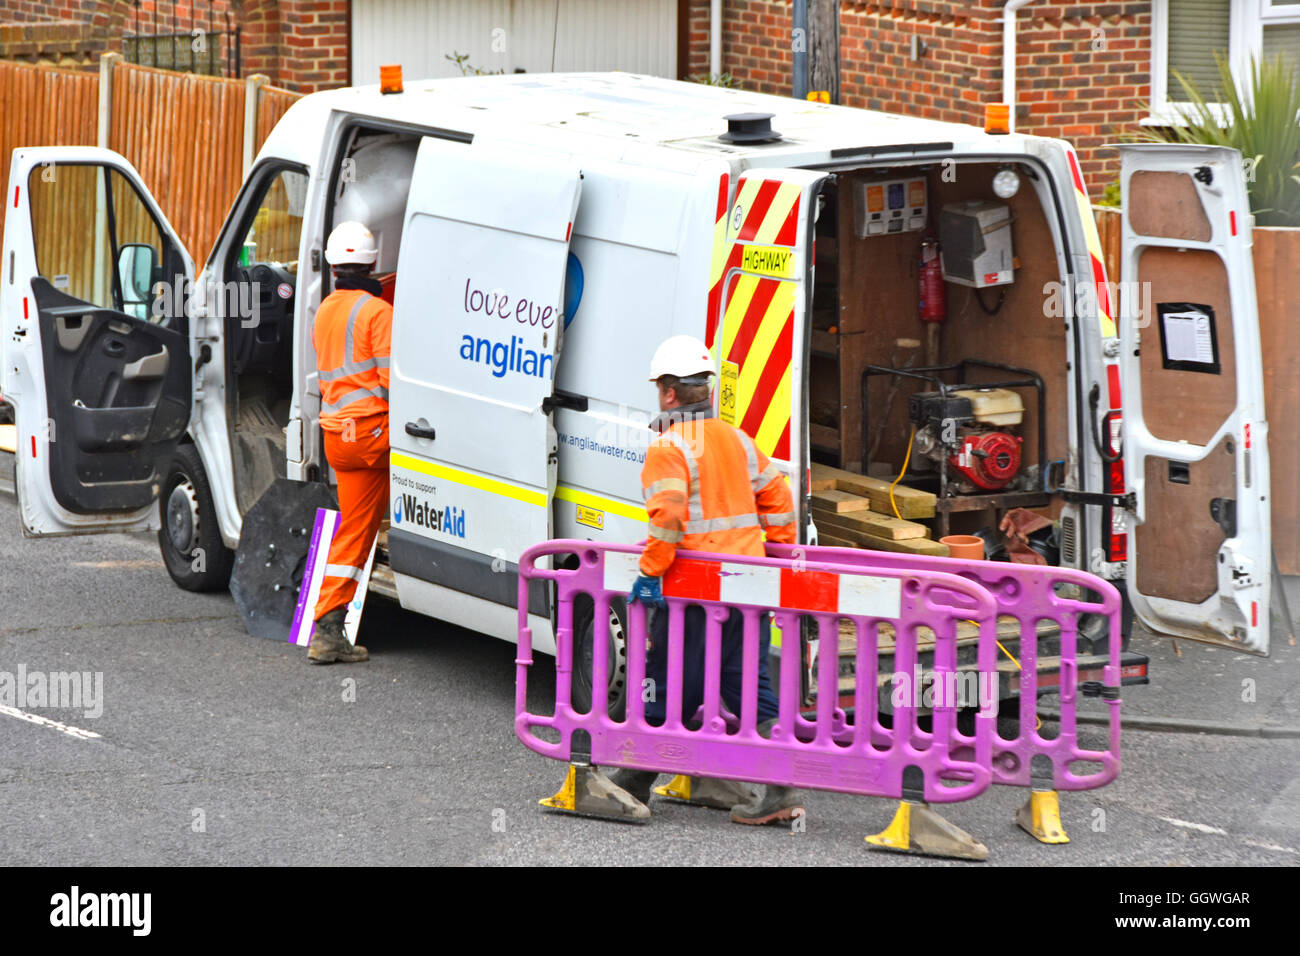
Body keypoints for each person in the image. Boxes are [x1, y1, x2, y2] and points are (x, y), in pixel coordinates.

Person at [607, 334, 806, 825]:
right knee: (747, 683)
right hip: (747, 585)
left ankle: (632, 781)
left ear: (669, 394)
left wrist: (650, 572)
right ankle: (778, 790)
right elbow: (778, 496)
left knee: (669, 678)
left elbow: (667, 518)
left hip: (695, 591)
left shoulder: (668, 446)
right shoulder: (736, 438)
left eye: (659, 387)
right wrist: (775, 551)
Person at [307, 220, 392, 664]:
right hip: (374, 435)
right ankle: (327, 629)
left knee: (353, 528)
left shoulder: (325, 310)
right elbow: (393, 383)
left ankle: (327, 627)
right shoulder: (377, 314)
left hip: (337, 434)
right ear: (373, 263)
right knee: (360, 531)